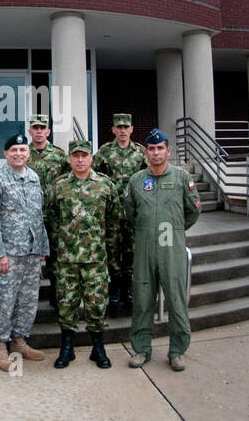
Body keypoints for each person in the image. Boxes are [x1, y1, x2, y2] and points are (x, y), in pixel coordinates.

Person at [123, 129, 201, 372]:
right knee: (143, 300)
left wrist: (175, 229)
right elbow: (130, 212)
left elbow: (193, 210)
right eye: (151, 149)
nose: (156, 153)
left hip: (171, 248)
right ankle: (142, 349)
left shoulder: (180, 178)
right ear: (145, 152)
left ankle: (177, 350)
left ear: (168, 151)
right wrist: (148, 230)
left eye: (160, 148)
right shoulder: (136, 180)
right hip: (144, 247)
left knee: (176, 300)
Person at [46, 138, 119, 369]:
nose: (80, 160)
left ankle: (98, 348)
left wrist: (110, 253)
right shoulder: (59, 186)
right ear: (69, 158)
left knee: (96, 305)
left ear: (91, 158)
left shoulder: (105, 185)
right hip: (66, 259)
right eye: (75, 156)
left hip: (95, 258)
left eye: (84, 156)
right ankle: (67, 348)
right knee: (67, 305)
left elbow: (114, 220)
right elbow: (50, 218)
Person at [0, 132, 49, 370]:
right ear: (5, 154)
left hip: (30, 254)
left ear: (28, 153)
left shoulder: (33, 177)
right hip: (7, 255)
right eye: (14, 150)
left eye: (23, 150)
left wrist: (42, 247)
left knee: (28, 301)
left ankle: (19, 340)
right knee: (3, 301)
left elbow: (38, 216)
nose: (19, 154)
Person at [93, 112, 147, 313]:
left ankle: (129, 291)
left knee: (132, 252)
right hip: (112, 214)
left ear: (131, 129)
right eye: (119, 127)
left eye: (126, 127)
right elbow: (94, 176)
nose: (123, 131)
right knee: (113, 253)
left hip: (134, 213)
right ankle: (114, 291)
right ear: (113, 129)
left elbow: (149, 178)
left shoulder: (140, 152)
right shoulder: (105, 152)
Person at [25, 113, 67, 310]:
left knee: (57, 256)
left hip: (54, 214)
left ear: (48, 131)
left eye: (43, 128)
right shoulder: (23, 154)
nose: (39, 131)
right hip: (30, 216)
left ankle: (57, 295)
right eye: (36, 128)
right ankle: (28, 302)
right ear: (30, 131)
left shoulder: (59, 155)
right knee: (30, 257)